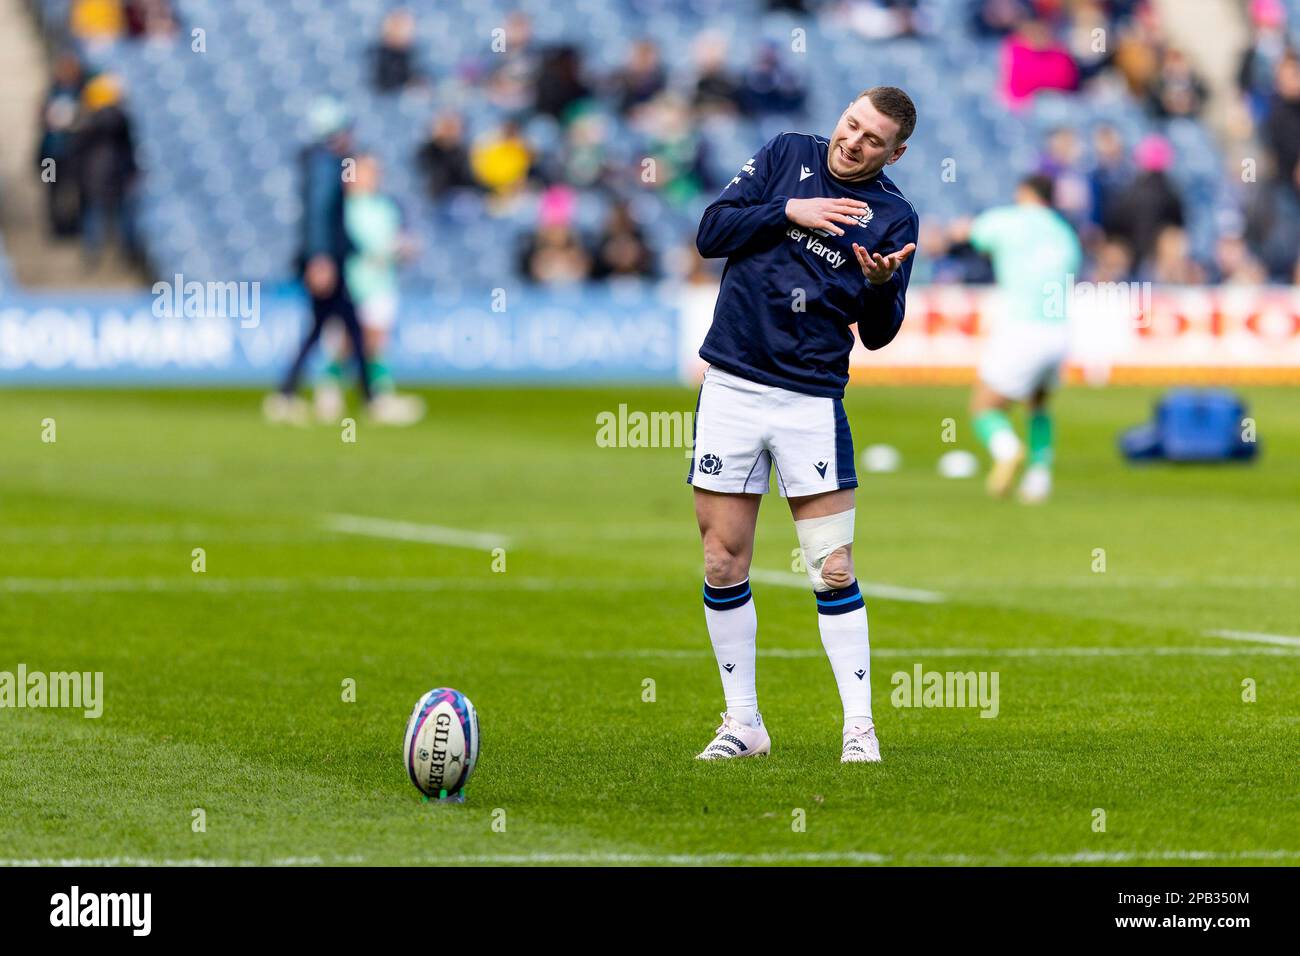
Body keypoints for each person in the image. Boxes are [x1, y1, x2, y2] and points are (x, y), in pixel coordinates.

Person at [687, 86, 919, 764]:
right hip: (731, 385)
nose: (854, 142)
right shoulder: (788, 155)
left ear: (894, 152)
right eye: (851, 125)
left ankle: (859, 728)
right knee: (722, 560)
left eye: (873, 139)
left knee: (832, 567)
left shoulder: (894, 216)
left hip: (809, 398)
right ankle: (743, 724)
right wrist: (789, 209)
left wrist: (878, 287)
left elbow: (879, 335)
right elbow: (711, 233)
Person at [264, 99, 417, 425]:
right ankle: (363, 398)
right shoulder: (326, 164)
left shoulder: (325, 163)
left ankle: (298, 395)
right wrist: (321, 258)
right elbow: (321, 217)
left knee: (331, 331)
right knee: (341, 332)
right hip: (329, 261)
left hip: (333, 259)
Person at [967, 174, 1082, 503]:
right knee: (1039, 403)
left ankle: (1006, 448)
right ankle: (1039, 478)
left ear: (1024, 193)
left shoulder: (1008, 220)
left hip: (1021, 327)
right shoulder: (1065, 233)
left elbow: (973, 236)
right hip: (1059, 331)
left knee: (984, 407)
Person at [314, 154, 425, 423]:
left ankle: (379, 395)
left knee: (375, 340)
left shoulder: (387, 207)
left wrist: (403, 248)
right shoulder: (340, 207)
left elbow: (399, 238)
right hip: (349, 281)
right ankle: (329, 389)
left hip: (381, 282)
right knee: (345, 341)